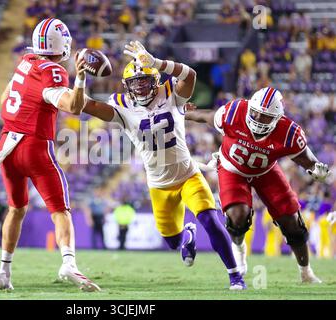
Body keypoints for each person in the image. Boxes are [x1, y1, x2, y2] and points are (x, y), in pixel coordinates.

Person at [83, 40, 246, 290]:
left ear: (155, 80)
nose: (139, 87)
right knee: (172, 241)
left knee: (211, 221)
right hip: (158, 185)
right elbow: (88, 105)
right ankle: (187, 235)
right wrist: (77, 79)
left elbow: (190, 74)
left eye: (144, 80)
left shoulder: (170, 93)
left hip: (188, 174)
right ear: (127, 86)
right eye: (134, 82)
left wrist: (157, 63)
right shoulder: (122, 105)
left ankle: (236, 277)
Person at [0, 18, 100, 292]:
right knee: (60, 210)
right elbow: (72, 106)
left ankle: (3, 271)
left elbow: (5, 99)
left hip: (6, 145)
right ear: (62, 45)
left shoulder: (26, 60)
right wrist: (81, 78)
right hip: (34, 145)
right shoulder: (54, 70)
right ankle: (69, 263)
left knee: (16, 208)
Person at [185, 87, 331, 283]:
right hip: (231, 168)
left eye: (265, 117)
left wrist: (317, 170)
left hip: (265, 171)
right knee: (237, 216)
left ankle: (306, 272)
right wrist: (183, 113)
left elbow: (307, 160)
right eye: (255, 113)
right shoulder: (234, 113)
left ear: (277, 117)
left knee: (292, 222)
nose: (257, 119)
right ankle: (239, 250)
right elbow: (207, 116)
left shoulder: (288, 132)